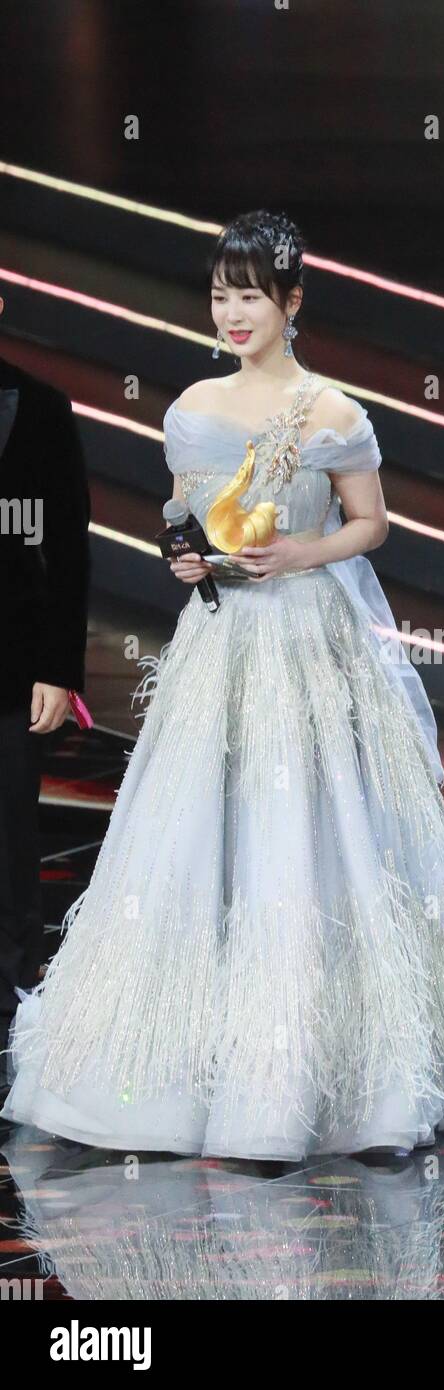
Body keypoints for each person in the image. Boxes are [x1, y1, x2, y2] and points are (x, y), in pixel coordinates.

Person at [0, 210, 444, 1161]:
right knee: (198, 832)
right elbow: (184, 518)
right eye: (221, 295)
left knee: (312, 828)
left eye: (250, 296)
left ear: (292, 302)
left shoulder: (335, 412)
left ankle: (318, 1067)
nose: (232, 313)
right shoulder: (190, 408)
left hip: (308, 640)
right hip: (220, 644)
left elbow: (372, 526)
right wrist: (186, 560)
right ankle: (184, 1063)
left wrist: (303, 551)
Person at [0, 305, 91, 1099]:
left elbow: (69, 547)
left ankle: (13, 997)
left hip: (16, 661)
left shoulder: (42, 408)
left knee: (10, 829)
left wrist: (61, 670)